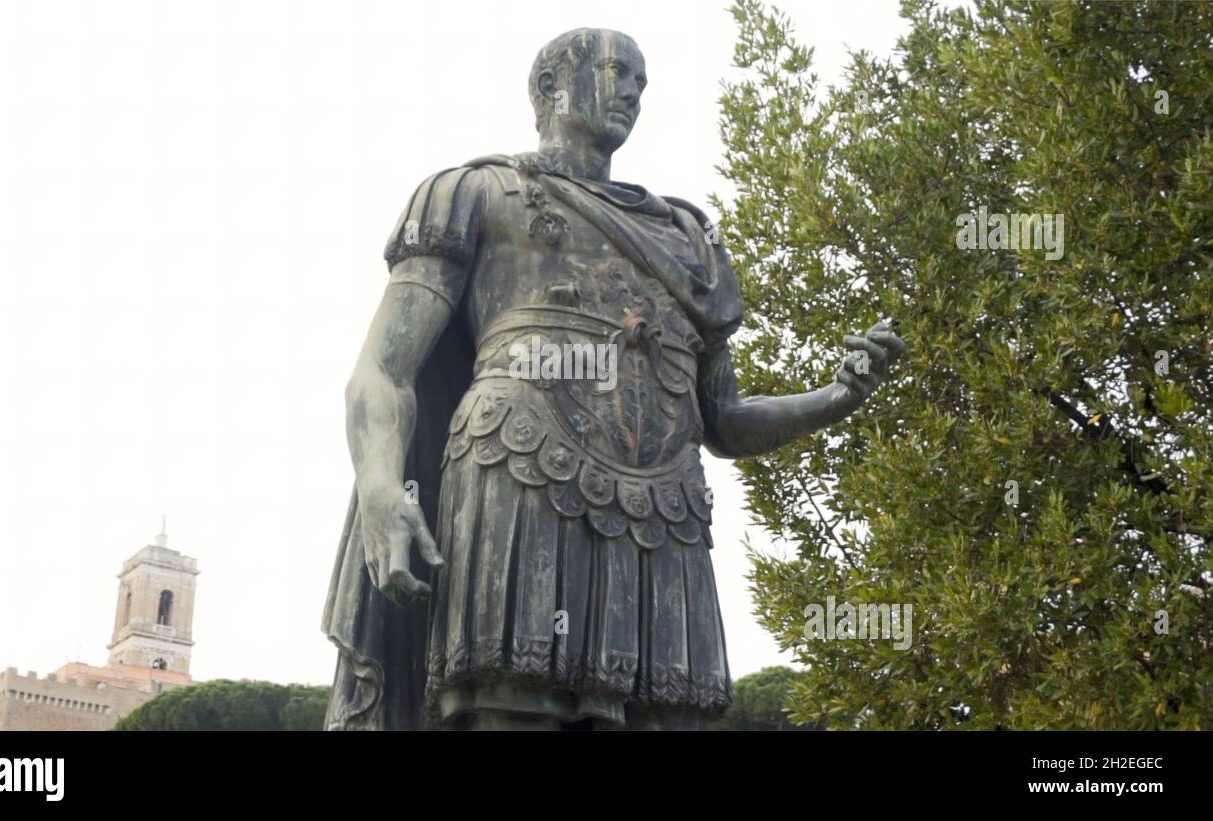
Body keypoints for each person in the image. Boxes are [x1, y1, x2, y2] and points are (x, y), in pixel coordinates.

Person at [322, 27, 905, 730]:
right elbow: (383, 370)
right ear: (548, 88)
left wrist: (838, 395)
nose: (632, 88)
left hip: (665, 515)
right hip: (521, 479)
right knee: (516, 703)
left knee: (668, 715)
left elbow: (724, 419)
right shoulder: (476, 192)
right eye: (616, 69)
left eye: (643, 80)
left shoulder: (687, 240)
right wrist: (383, 490)